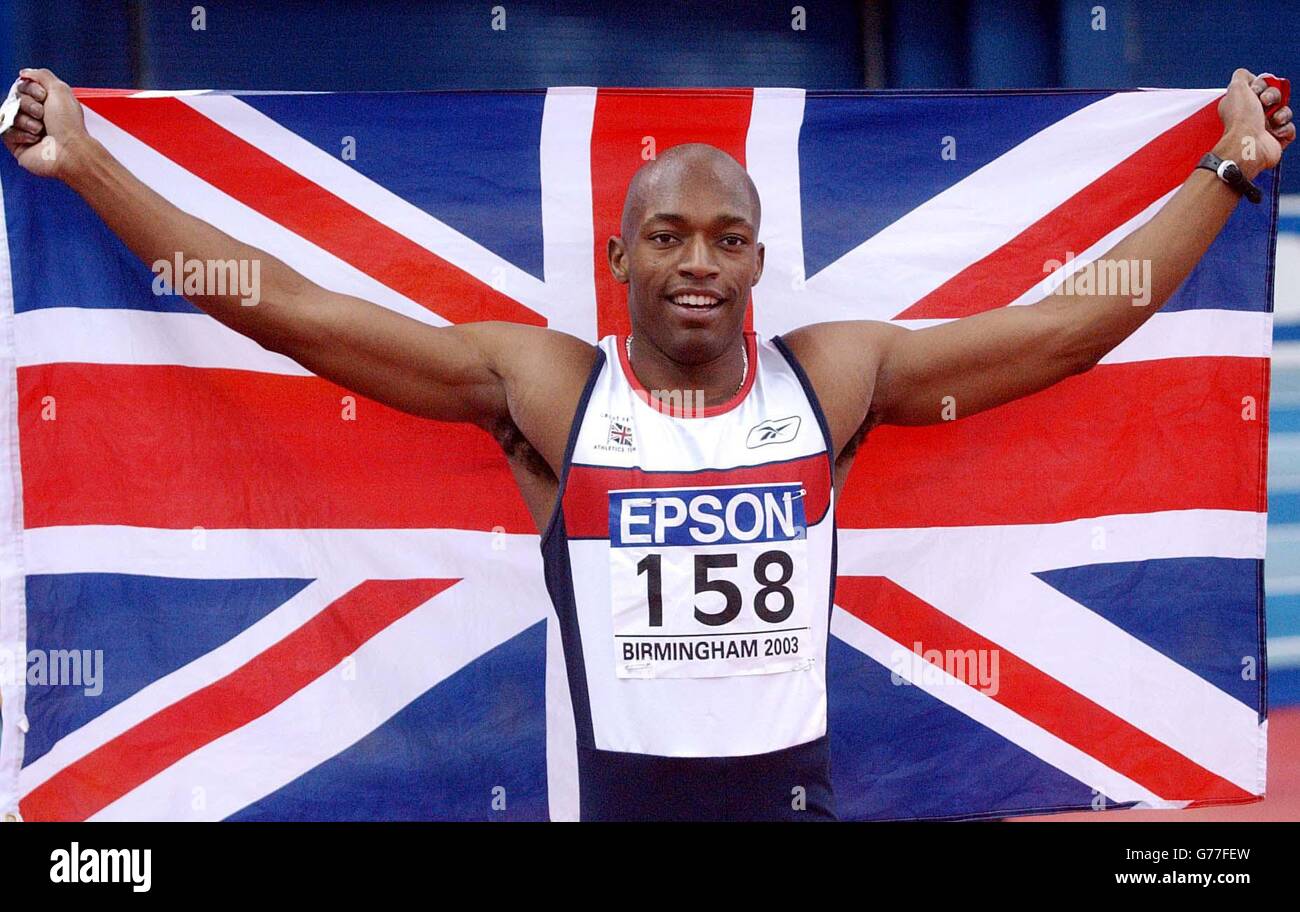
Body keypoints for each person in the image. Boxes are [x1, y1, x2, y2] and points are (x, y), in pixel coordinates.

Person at [5, 67, 1293, 821]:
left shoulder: (830, 380)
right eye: (666, 236)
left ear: (757, 260)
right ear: (618, 258)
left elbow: (1065, 332)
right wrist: (90, 166)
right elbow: (296, 316)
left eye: (724, 238)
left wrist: (1230, 171)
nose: (696, 261)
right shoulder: (551, 389)